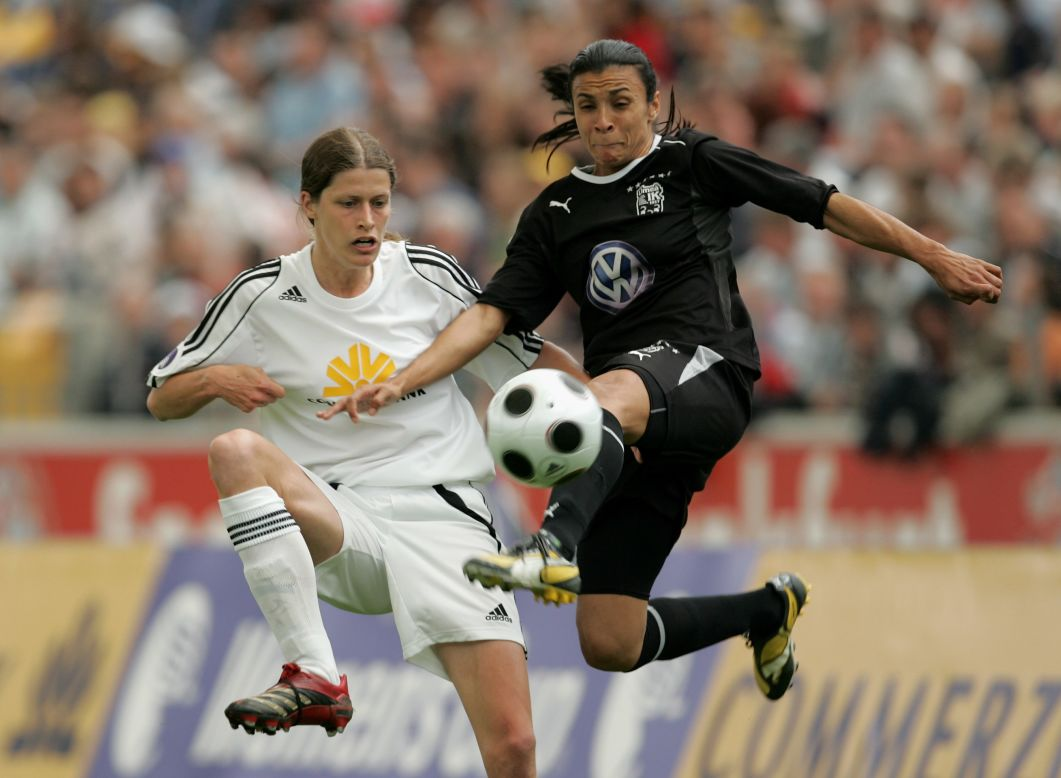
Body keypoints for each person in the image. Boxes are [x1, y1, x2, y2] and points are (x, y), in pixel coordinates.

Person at [331, 40, 1004, 699]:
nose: (602, 120)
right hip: (630, 427)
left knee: (603, 395)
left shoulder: (690, 162)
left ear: (652, 104)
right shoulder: (555, 214)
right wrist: (402, 380)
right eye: (587, 106)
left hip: (708, 374)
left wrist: (933, 256)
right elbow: (488, 317)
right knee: (609, 641)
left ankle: (547, 549)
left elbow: (819, 201)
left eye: (620, 103)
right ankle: (765, 611)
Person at [146, 127, 585, 777]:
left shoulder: (426, 278)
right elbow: (161, 395)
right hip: (338, 517)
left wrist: (608, 410)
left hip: (445, 518)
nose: (368, 221)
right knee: (235, 449)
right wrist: (215, 378)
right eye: (349, 203)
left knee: (514, 745)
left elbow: (524, 361)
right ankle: (315, 673)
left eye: (380, 203)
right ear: (308, 206)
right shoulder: (262, 295)